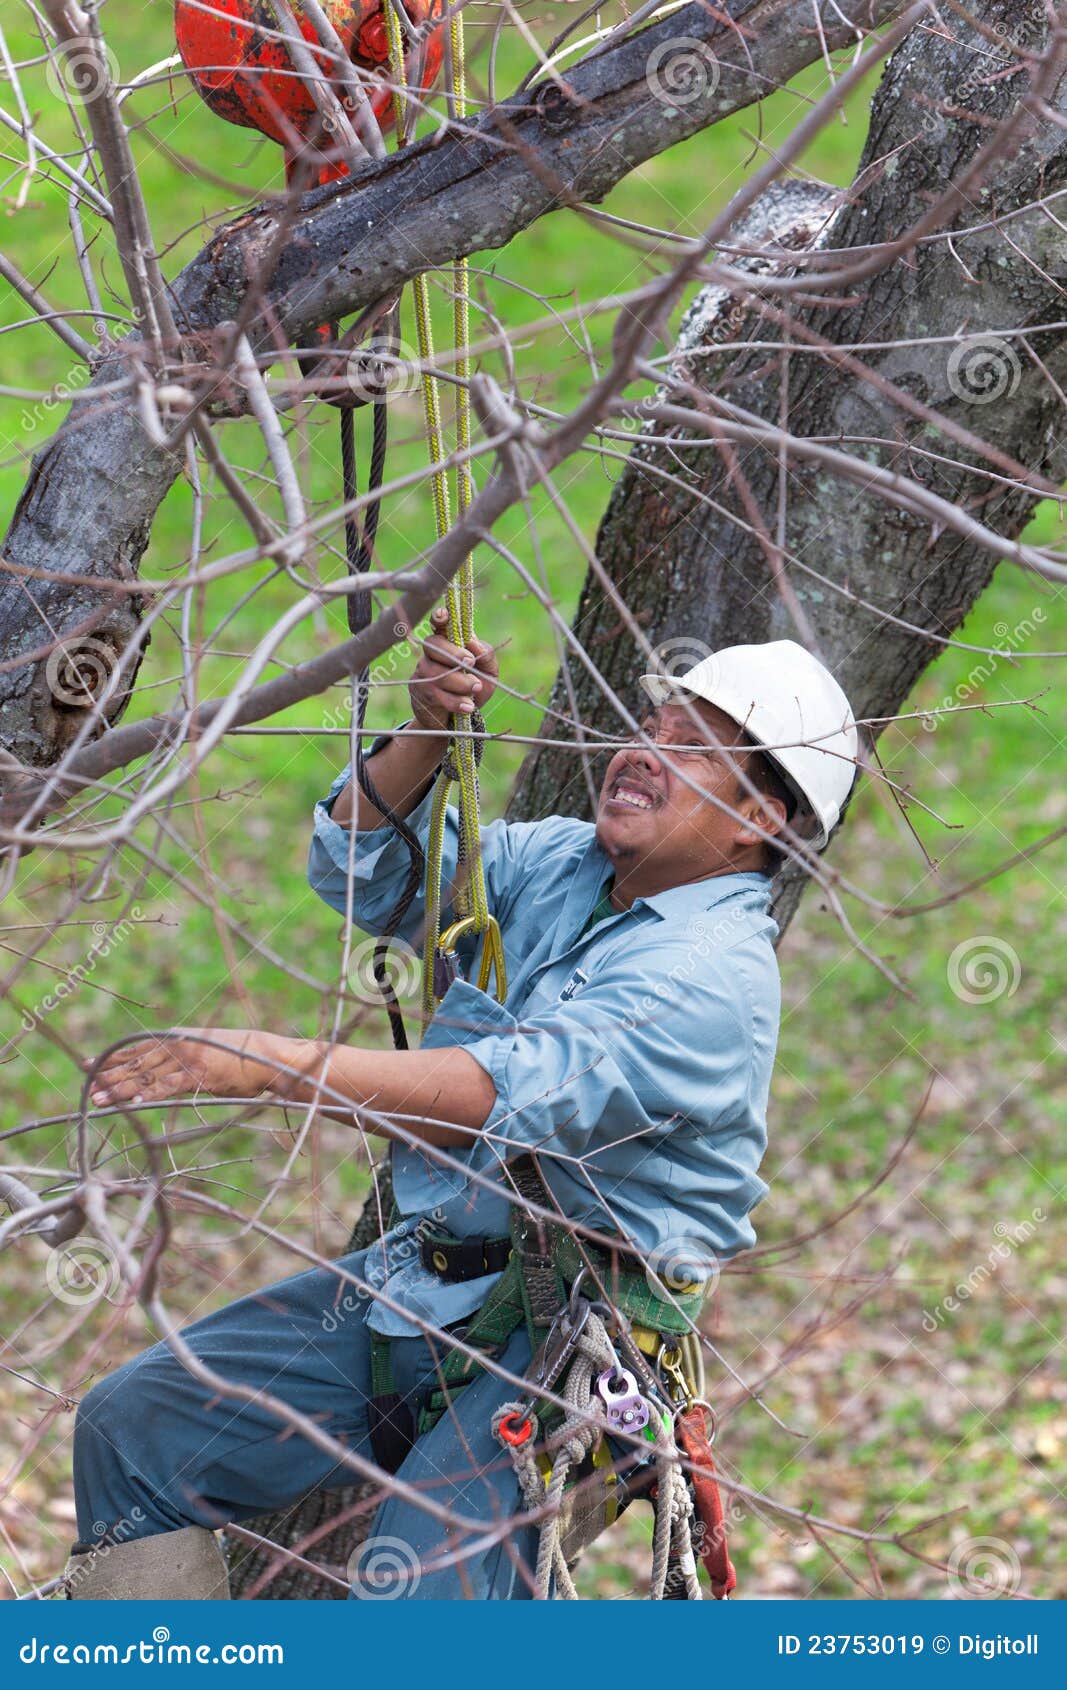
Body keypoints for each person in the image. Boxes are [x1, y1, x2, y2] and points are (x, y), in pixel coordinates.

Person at [68, 615, 858, 1599]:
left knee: (413, 1594)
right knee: (137, 1425)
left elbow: (491, 1099)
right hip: (432, 1282)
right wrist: (425, 736)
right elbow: (367, 874)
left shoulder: (704, 976)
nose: (642, 754)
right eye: (648, 726)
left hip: (573, 1336)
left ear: (758, 820)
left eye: (690, 746)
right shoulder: (559, 867)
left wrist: (270, 1064)